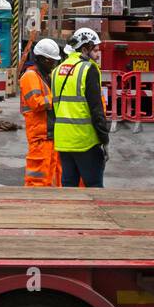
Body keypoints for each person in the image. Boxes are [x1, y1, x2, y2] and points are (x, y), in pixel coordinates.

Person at [51, 27, 110, 188]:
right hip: (85, 140)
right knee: (94, 186)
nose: (98, 54)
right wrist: (104, 139)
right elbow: (96, 110)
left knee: (68, 187)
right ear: (84, 49)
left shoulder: (57, 71)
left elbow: (55, 107)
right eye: (95, 50)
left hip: (63, 140)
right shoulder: (88, 69)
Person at [19, 38, 62, 187]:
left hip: (48, 134)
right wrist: (56, 99)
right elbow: (36, 103)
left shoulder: (44, 76)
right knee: (37, 179)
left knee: (51, 175)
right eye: (51, 61)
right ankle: (34, 199)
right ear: (42, 59)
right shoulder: (30, 76)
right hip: (39, 136)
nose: (53, 65)